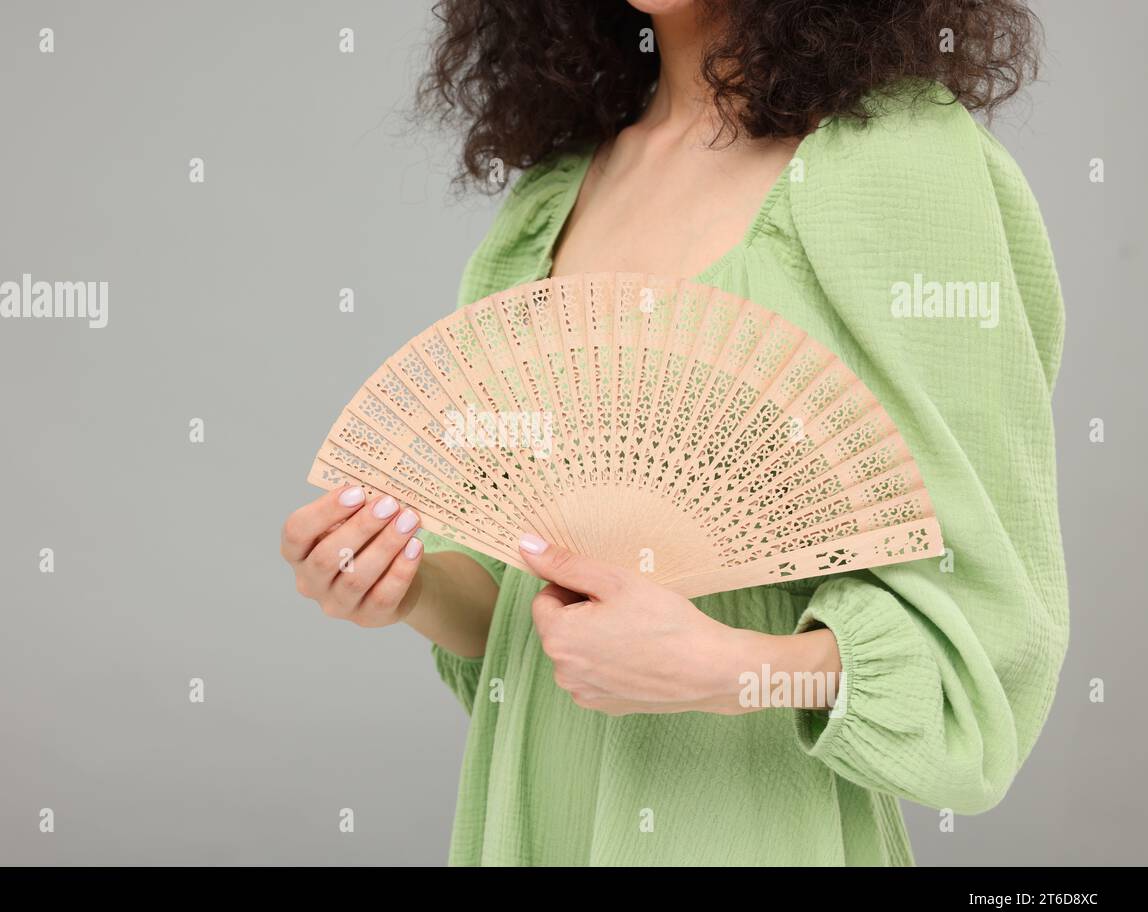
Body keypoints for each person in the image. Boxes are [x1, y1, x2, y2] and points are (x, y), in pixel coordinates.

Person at [282, 0, 1067, 865]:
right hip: (540, 803)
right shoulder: (556, 193)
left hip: (750, 818)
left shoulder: (901, 163)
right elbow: (519, 610)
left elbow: (983, 653)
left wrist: (727, 668)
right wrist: (406, 586)